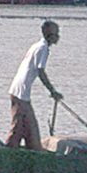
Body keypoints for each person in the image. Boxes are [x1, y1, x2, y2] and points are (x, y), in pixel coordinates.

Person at [4, 20, 62, 150]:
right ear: (48, 35)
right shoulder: (42, 48)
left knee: (32, 132)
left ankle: (31, 155)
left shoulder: (38, 46)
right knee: (17, 127)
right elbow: (41, 71)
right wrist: (52, 91)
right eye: (55, 34)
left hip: (22, 94)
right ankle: (5, 153)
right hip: (19, 93)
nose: (58, 37)